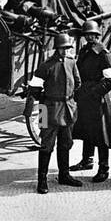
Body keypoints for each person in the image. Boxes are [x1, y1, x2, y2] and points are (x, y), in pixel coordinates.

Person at [31, 36, 83, 193]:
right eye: (63, 48)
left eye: (67, 48)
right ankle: (42, 180)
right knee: (46, 145)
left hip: (68, 108)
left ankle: (64, 175)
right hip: (46, 110)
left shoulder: (71, 63)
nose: (65, 50)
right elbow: (34, 89)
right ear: (57, 48)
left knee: (65, 143)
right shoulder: (45, 66)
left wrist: (67, 99)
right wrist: (47, 100)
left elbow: (78, 83)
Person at [71, 20, 111, 183]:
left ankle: (104, 167)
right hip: (85, 98)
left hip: (98, 100)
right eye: (87, 35)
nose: (90, 37)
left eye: (93, 35)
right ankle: (87, 160)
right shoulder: (84, 51)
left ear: (98, 36)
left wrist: (94, 92)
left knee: (101, 135)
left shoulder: (102, 53)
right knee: (86, 130)